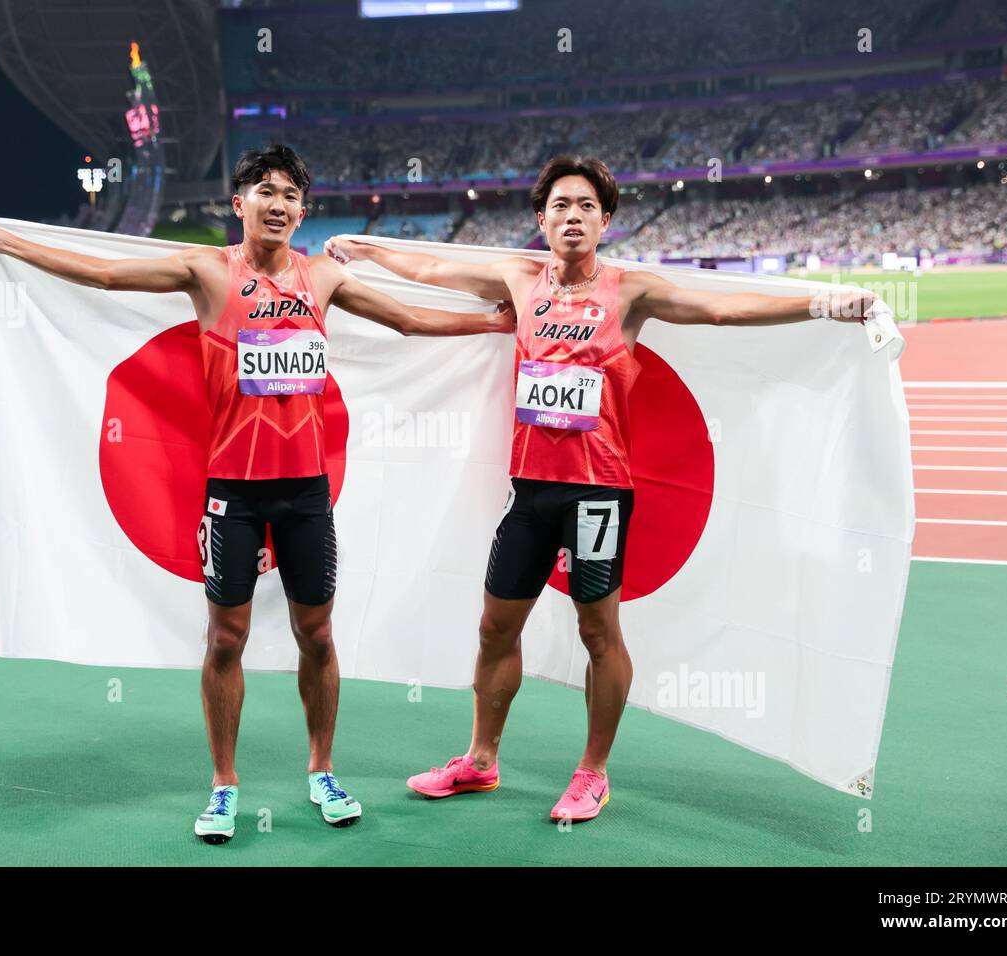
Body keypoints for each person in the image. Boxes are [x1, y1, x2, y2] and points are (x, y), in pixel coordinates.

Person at [0, 144, 514, 844]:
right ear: (238, 203)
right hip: (233, 497)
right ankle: (223, 787)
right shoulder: (207, 271)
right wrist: (3, 239)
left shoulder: (326, 278)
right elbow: (102, 273)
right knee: (226, 638)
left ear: (302, 211)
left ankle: (321, 771)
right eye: (263, 190)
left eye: (289, 195)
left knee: (317, 635)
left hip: (307, 494)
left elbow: (406, 319)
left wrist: (491, 324)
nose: (277, 203)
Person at [326, 155, 874, 823]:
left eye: (586, 206)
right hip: (529, 492)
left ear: (605, 220)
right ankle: (480, 760)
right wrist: (367, 250)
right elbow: (436, 270)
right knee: (495, 628)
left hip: (597, 494)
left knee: (597, 630)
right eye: (561, 205)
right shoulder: (518, 277)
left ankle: (592, 772)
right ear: (542, 219)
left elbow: (723, 309)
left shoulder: (630, 291)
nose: (573, 216)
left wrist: (824, 302)